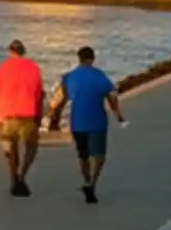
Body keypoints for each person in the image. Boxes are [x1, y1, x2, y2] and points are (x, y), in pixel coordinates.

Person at [49, 46, 125, 204]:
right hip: (97, 121)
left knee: (83, 156)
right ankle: (92, 182)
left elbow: (61, 100)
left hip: (77, 122)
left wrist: (54, 120)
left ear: (79, 58)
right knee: (99, 156)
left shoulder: (69, 77)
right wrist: (117, 114)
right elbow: (111, 95)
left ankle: (86, 180)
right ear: (92, 59)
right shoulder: (99, 76)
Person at [0, 39, 46, 196]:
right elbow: (39, 95)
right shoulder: (33, 68)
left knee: (11, 147)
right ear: (23, 51)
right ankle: (22, 174)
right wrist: (39, 117)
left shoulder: (2, 68)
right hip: (28, 114)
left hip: (7, 115)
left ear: (10, 51)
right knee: (31, 147)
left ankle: (14, 177)